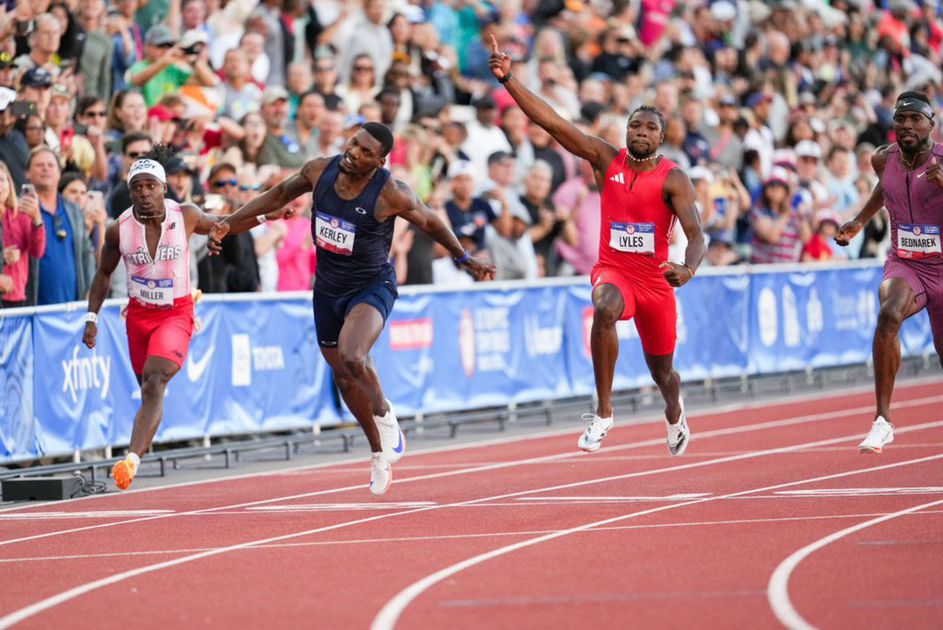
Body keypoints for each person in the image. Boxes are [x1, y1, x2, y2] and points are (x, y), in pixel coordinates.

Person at [209, 122, 495, 495]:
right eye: (353, 143)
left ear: (379, 161)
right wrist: (226, 224)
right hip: (327, 289)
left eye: (364, 152)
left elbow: (429, 220)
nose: (353, 152)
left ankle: (384, 413)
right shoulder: (319, 170)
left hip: (371, 285)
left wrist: (464, 257)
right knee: (343, 375)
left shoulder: (390, 191)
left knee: (354, 356)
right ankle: (378, 452)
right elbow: (278, 193)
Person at [489, 36, 705, 455]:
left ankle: (675, 412)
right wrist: (510, 80)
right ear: (626, 131)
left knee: (663, 373)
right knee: (604, 305)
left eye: (650, 128)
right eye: (635, 126)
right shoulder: (606, 159)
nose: (641, 132)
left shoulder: (674, 178)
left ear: (661, 137)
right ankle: (604, 413)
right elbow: (553, 124)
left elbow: (696, 234)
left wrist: (688, 268)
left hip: (656, 282)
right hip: (614, 271)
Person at [82, 145, 291, 490]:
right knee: (149, 390)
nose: (144, 193)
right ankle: (141, 446)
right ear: (130, 191)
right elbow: (104, 274)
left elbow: (227, 225)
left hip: (176, 312)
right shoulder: (119, 229)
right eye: (138, 187)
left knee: (155, 379)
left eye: (151, 186)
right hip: (138, 315)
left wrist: (268, 217)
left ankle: (129, 462)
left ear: (165, 188)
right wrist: (92, 317)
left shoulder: (187, 215)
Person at [835, 91, 943, 454]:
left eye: (915, 119)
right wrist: (858, 221)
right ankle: (882, 420)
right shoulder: (883, 159)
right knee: (888, 314)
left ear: (932, 123)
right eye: (901, 119)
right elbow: (886, 189)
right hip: (907, 262)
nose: (907, 126)